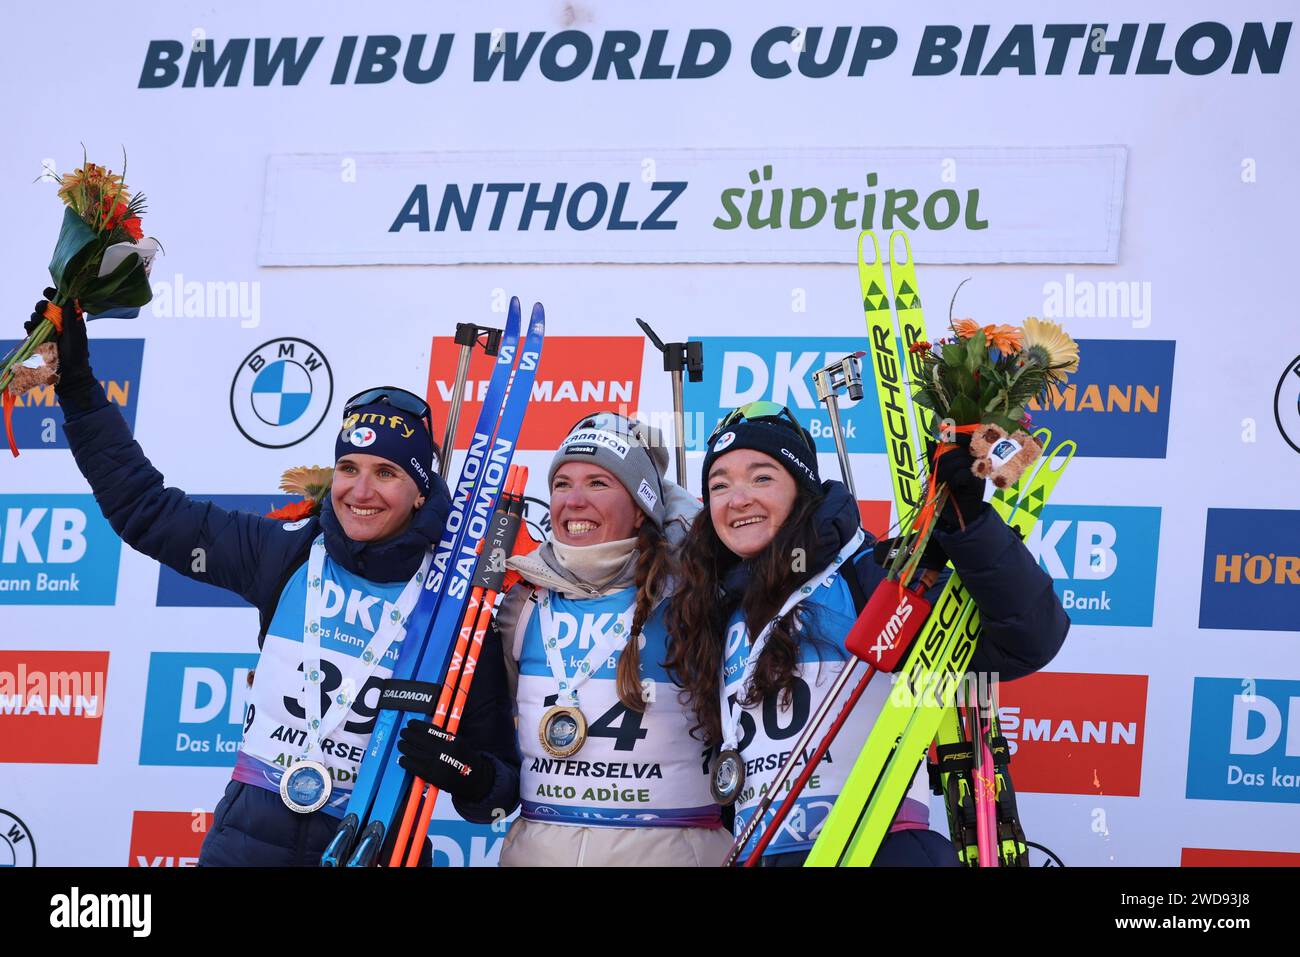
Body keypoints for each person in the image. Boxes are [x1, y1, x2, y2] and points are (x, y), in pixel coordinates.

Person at [34, 295, 520, 866]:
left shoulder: (455, 607)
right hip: (244, 848)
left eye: (386, 473)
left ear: (420, 491)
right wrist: (78, 387)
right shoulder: (286, 555)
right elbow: (146, 511)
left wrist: (461, 768)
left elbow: (497, 793)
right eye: (348, 469)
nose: (360, 493)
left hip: (372, 847)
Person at [665, 401, 1070, 866]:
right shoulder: (715, 606)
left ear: (802, 490)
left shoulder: (869, 576)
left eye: (762, 478)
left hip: (877, 849)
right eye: (720, 485)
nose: (738, 499)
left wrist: (972, 527)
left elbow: (1029, 638)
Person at [488, 412, 734, 866]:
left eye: (599, 483)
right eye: (562, 484)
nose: (574, 501)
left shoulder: (699, 594)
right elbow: (492, 740)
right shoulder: (520, 601)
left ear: (641, 508)